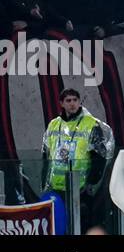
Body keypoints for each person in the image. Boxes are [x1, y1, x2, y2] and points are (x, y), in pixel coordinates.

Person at [42, 88, 113, 231]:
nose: (72, 104)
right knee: (57, 228)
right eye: (68, 100)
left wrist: (90, 183)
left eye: (75, 100)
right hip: (56, 189)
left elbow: (100, 157)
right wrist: (44, 181)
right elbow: (46, 155)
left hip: (80, 189)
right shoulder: (53, 125)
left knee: (80, 227)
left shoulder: (91, 125)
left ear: (80, 102)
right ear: (61, 103)